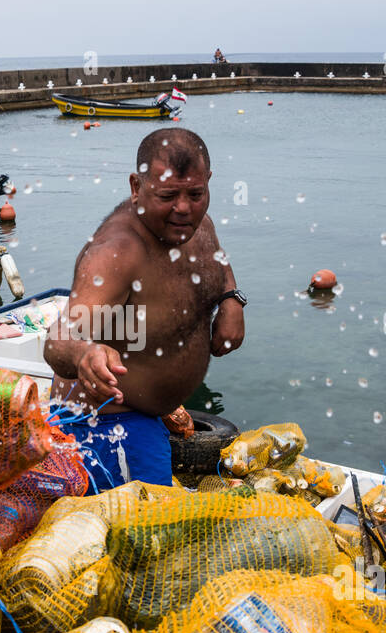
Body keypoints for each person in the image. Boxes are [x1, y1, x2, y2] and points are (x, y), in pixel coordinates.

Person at [44, 128, 245, 490]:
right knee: (144, 541)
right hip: (103, 425)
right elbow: (58, 339)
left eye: (196, 194)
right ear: (136, 186)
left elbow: (219, 260)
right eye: (168, 195)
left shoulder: (197, 224)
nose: (184, 208)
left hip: (153, 417)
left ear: (207, 183)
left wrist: (232, 299)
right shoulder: (116, 252)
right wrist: (84, 353)